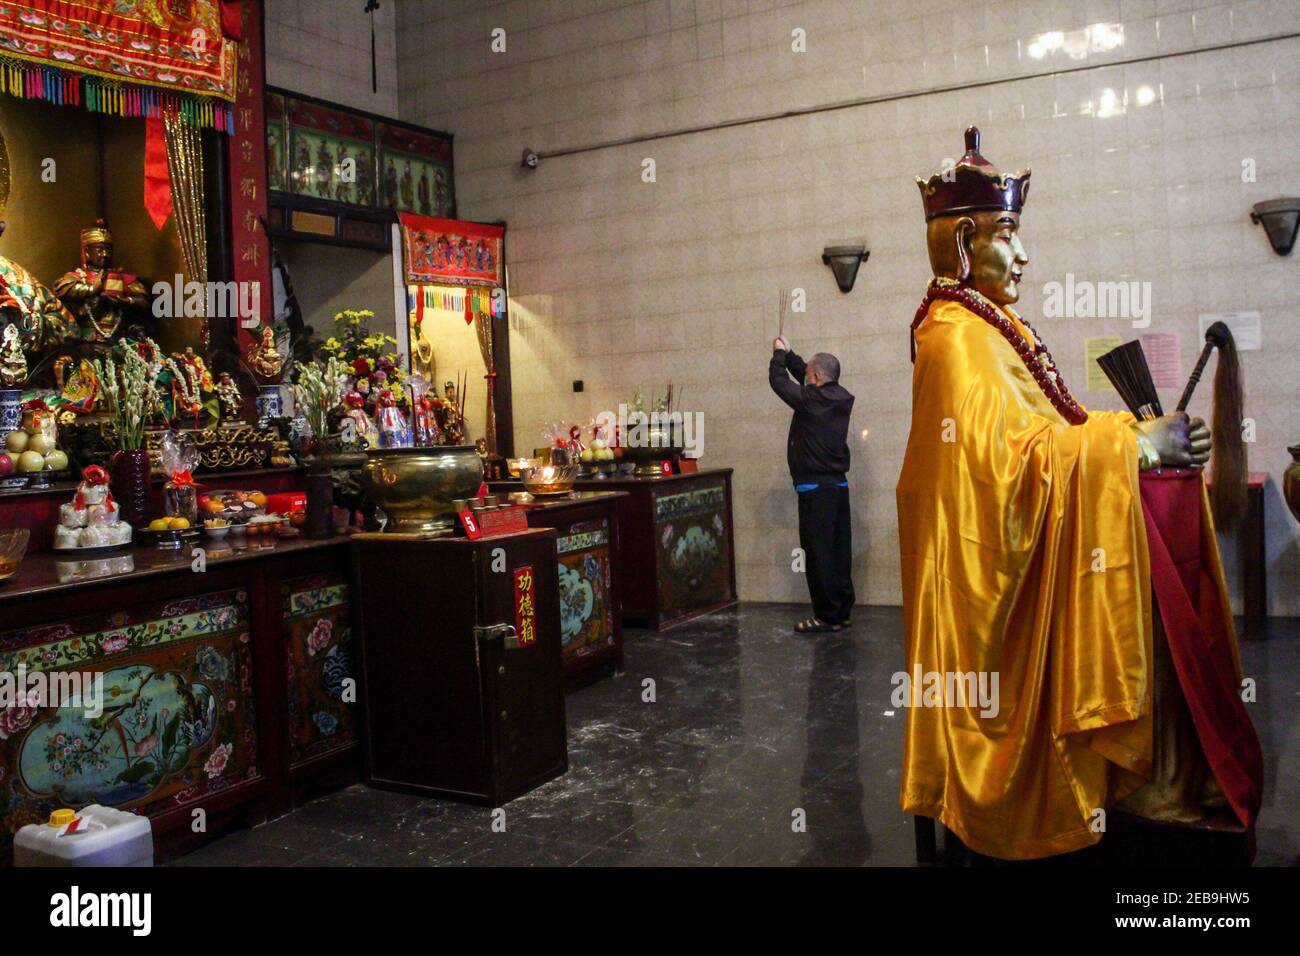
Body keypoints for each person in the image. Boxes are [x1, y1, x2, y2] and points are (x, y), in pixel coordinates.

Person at [897, 127, 1239, 860]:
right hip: (981, 585)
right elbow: (1005, 470)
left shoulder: (993, 327)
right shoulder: (955, 338)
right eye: (1008, 235)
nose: (1022, 255)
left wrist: (1130, 438)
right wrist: (1137, 447)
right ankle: (1143, 776)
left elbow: (1052, 427)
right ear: (962, 239)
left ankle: (1156, 775)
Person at [769, 335, 855, 633]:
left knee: (818, 552)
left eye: (808, 375)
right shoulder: (837, 396)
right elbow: (806, 373)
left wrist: (778, 357)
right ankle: (841, 611)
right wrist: (791, 353)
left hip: (814, 489)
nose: (805, 377)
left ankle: (825, 616)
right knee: (838, 551)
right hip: (837, 487)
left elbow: (780, 383)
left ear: (816, 378)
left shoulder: (812, 400)